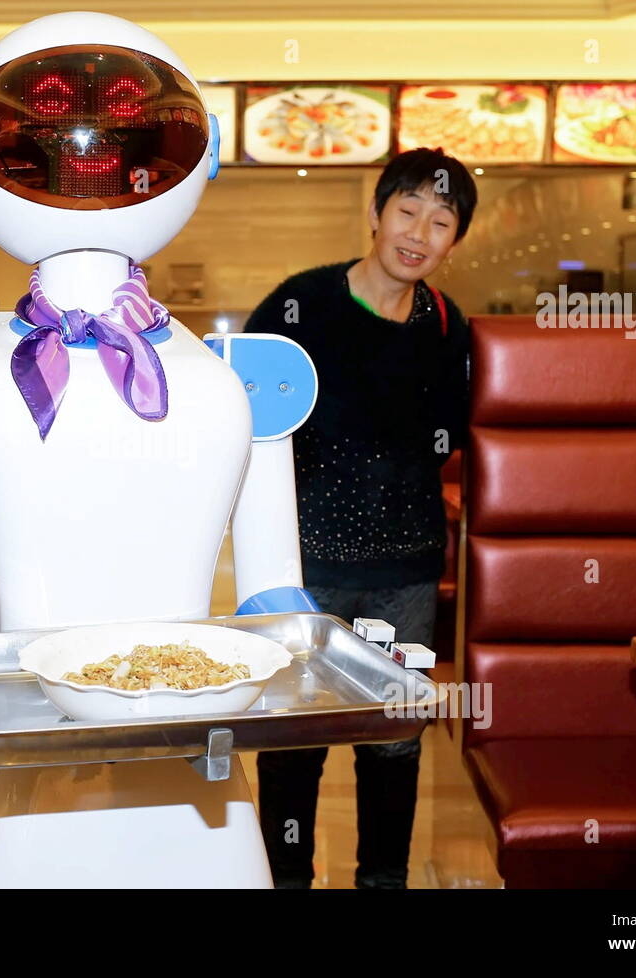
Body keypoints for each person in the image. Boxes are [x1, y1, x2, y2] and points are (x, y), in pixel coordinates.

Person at [245, 146, 475, 889]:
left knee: (394, 740)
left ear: (454, 241)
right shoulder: (299, 305)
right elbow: (243, 409)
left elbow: (450, 432)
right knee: (295, 739)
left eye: (441, 222)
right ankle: (286, 878)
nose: (420, 232)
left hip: (406, 567)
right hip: (305, 565)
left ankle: (384, 880)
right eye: (407, 212)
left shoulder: (445, 324)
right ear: (375, 215)